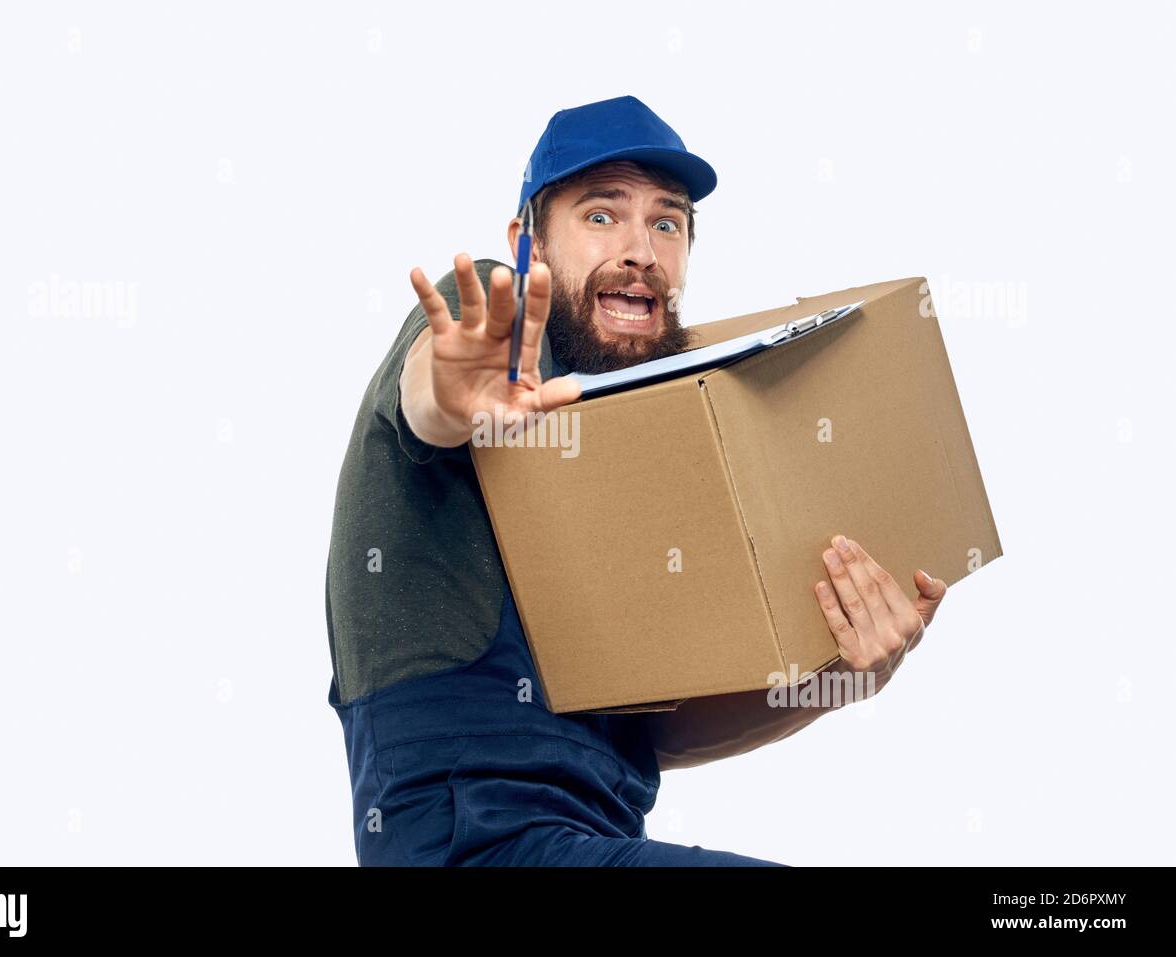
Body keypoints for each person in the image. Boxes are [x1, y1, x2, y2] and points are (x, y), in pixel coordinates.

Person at [325, 95, 948, 866]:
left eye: (668, 223)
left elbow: (651, 733)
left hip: (596, 842)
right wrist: (448, 395)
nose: (642, 250)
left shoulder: (622, 453)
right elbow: (431, 389)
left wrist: (842, 677)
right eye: (601, 215)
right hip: (470, 841)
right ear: (527, 243)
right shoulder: (494, 317)